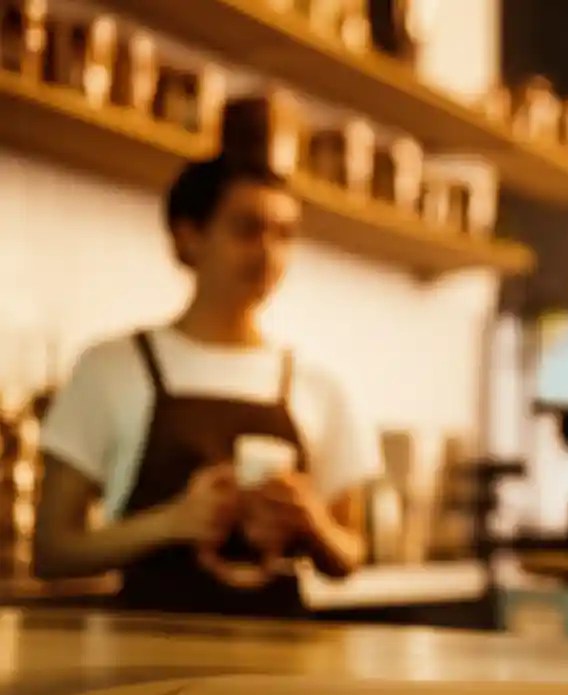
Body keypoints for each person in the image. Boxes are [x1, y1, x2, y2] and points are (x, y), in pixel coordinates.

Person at [34, 156, 381, 617]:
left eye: (284, 234)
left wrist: (311, 523)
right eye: (247, 229)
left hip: (282, 662)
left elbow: (351, 554)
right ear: (187, 237)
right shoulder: (110, 369)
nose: (269, 253)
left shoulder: (320, 385)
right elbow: (53, 551)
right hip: (143, 659)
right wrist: (173, 523)